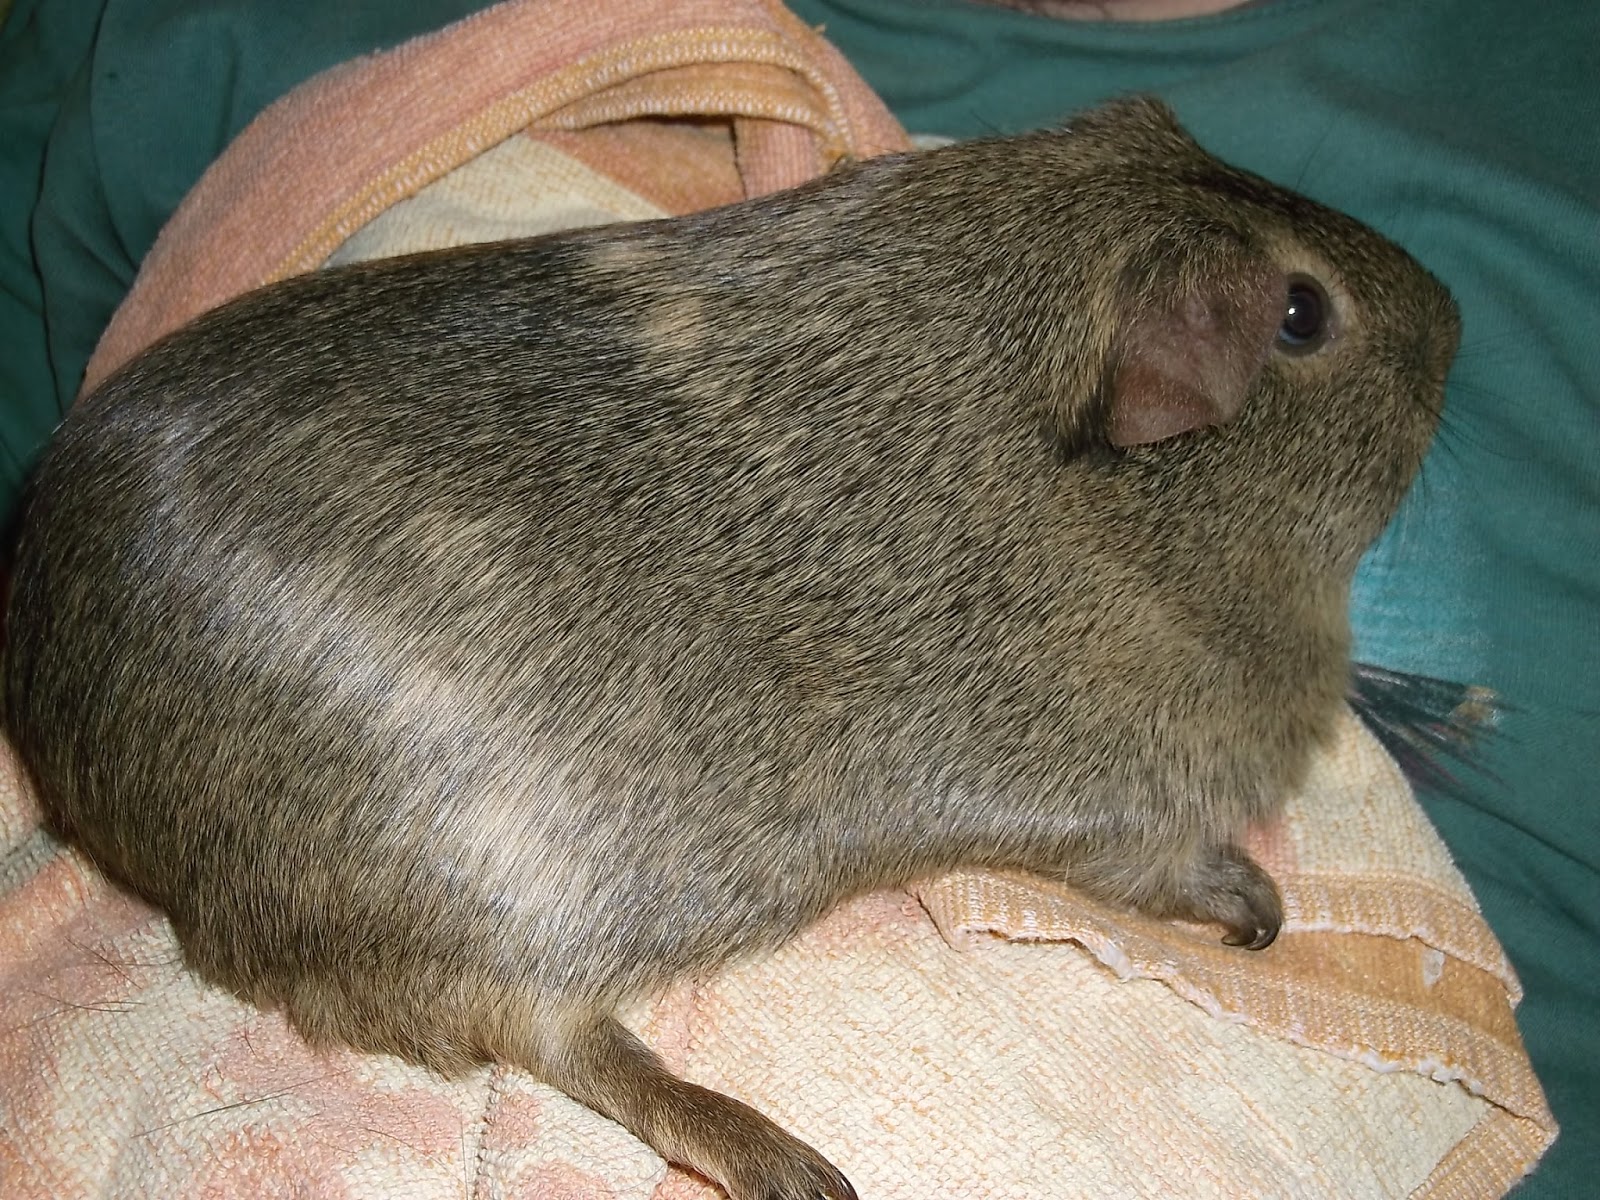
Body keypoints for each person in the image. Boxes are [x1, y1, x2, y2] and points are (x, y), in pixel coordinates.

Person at [1, 0, 1595, 1193]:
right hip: (249, 628)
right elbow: (946, 767)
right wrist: (1130, 849)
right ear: (1158, 381)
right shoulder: (1002, 583)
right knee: (546, 850)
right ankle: (538, 1022)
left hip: (197, 499)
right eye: (1300, 324)